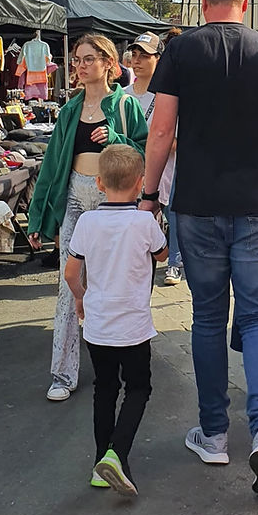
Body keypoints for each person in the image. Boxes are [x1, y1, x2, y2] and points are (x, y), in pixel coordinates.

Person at [140, 0, 258, 498]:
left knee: (208, 316)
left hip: (199, 204)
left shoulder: (181, 52)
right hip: (257, 203)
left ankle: (213, 433)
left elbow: (162, 128)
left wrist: (148, 195)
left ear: (203, 3)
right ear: (246, 2)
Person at [27, 34, 148, 400]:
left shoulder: (126, 106)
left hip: (112, 199)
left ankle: (121, 361)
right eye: (77, 59)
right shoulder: (69, 110)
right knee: (70, 282)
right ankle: (63, 373)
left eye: (88, 59)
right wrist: (37, 217)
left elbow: (143, 152)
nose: (79, 66)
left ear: (108, 63)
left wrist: (114, 137)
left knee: (114, 280)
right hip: (75, 197)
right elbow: (52, 166)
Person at [64, 145, 169, 496]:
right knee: (139, 388)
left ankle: (99, 462)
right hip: (134, 326)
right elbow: (162, 253)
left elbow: (71, 272)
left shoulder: (87, 222)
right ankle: (116, 454)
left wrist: (81, 298)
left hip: (98, 324)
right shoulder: (143, 222)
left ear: (98, 183)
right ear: (140, 184)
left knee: (105, 390)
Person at [124, 31, 182, 285]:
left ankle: (176, 262)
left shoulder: (167, 95)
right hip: (131, 172)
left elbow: (177, 139)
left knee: (174, 215)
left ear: (158, 59)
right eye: (134, 55)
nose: (137, 61)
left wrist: (155, 144)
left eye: (144, 56)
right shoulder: (122, 95)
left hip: (165, 171)